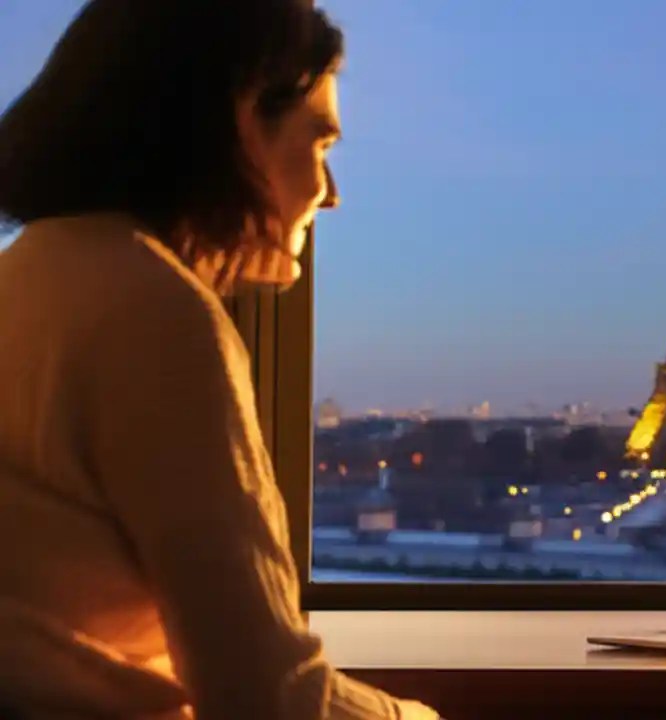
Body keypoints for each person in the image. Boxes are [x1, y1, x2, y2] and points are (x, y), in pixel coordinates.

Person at [0, 1, 441, 718]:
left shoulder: (26, 280)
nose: (330, 195)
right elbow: (266, 696)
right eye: (319, 144)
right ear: (240, 121)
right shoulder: (153, 312)